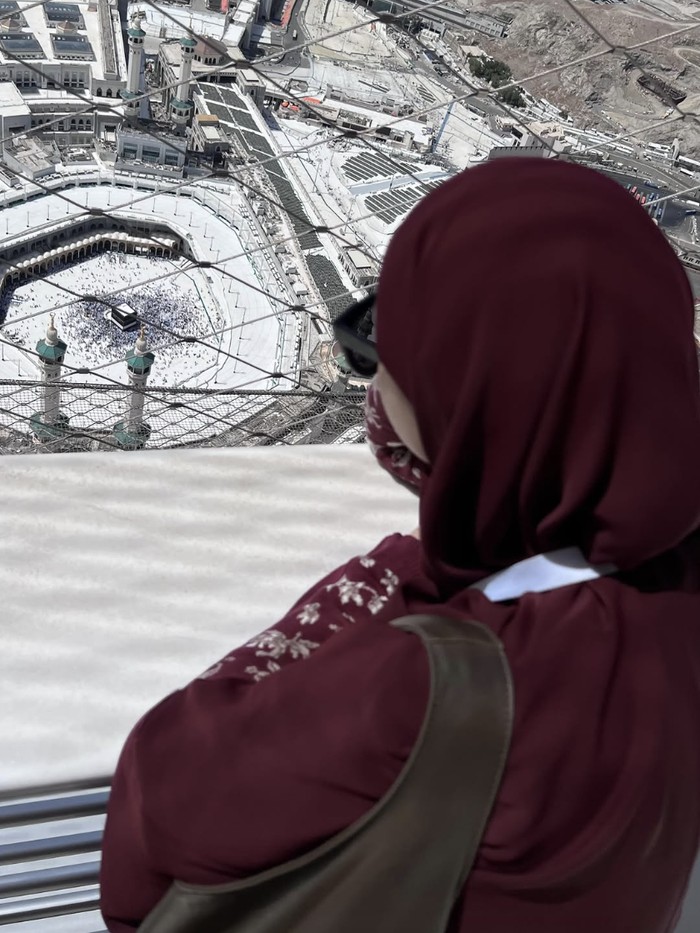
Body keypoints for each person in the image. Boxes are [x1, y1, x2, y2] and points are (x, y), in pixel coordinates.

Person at [99, 158, 700, 932]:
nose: (374, 386)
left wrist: (395, 574)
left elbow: (153, 828)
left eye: (396, 355)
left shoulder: (420, 681)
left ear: (481, 401)